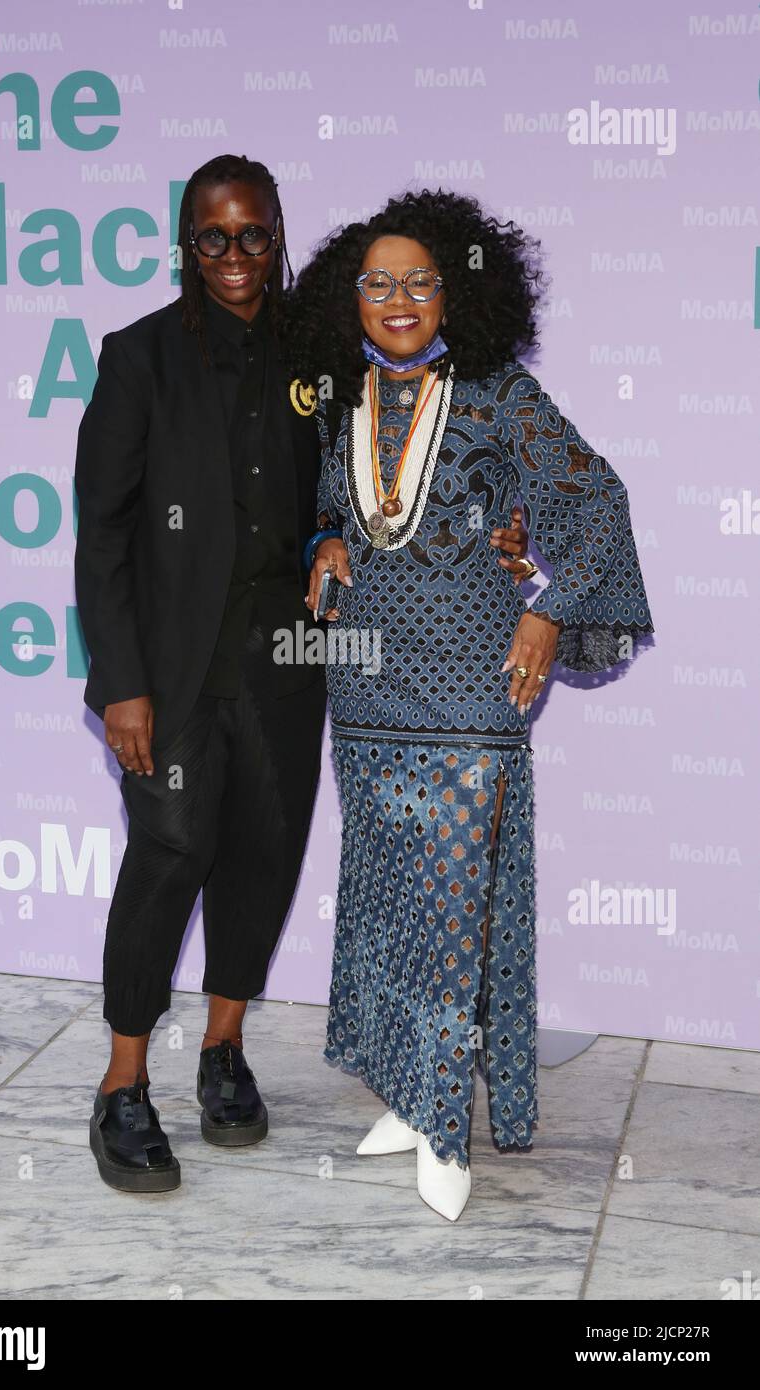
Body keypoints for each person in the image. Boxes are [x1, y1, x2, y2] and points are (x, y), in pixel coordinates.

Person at [74, 157, 534, 1194]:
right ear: (186, 244)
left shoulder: (323, 355)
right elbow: (99, 534)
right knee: (171, 844)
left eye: (252, 235)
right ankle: (120, 1084)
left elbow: (360, 477)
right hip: (171, 667)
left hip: (291, 662)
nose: (235, 257)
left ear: (279, 234)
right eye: (213, 237)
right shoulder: (137, 358)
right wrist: (120, 684)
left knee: (262, 850)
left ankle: (224, 1050)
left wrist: (489, 532)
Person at [285, 189, 655, 1221]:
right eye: (376, 283)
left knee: (453, 903)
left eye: (418, 280)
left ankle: (447, 1122)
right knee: (389, 896)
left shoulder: (497, 392)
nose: (397, 299)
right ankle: (405, 1093)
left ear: (454, 289)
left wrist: (546, 611)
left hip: (471, 693)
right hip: (363, 688)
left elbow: (595, 499)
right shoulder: (339, 393)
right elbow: (333, 499)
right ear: (345, 298)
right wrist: (323, 538)